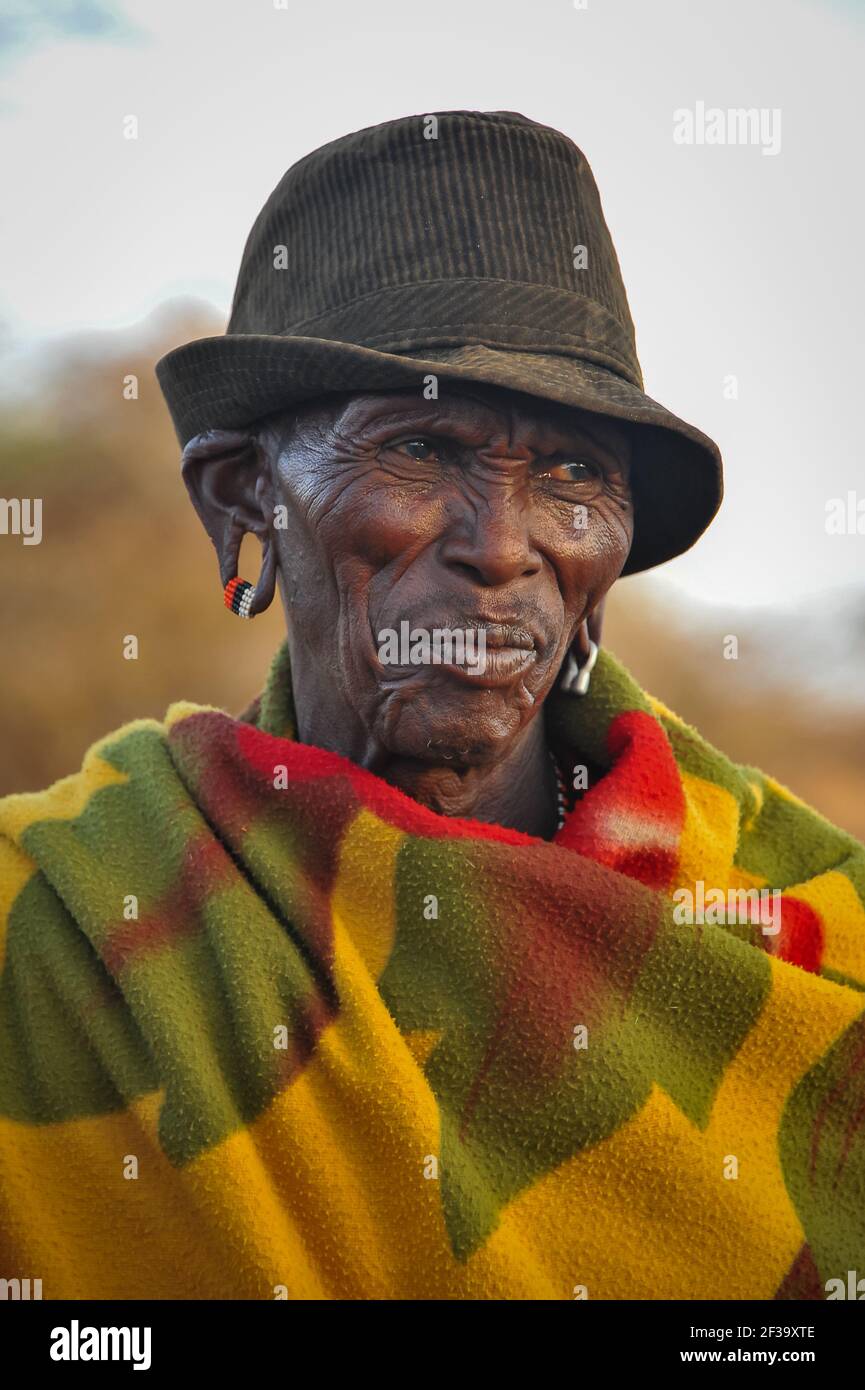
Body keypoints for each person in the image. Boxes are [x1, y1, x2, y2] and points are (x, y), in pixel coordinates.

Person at [0, 111, 862, 1301]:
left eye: (571, 474)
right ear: (243, 498)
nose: (500, 548)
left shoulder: (825, 929)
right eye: (419, 449)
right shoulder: (55, 917)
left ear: (606, 557)